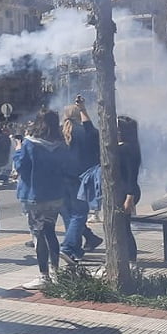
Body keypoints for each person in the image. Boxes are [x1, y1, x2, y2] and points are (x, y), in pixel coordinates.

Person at [14, 109, 77, 290]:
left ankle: (44, 275)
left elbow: (21, 166)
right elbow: (67, 167)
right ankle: (55, 272)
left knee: (38, 234)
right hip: (55, 194)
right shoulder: (61, 144)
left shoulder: (30, 144)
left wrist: (17, 150)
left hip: (34, 195)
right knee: (50, 232)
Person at [59, 98, 103, 264]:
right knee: (79, 214)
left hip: (61, 178)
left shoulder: (58, 133)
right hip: (82, 179)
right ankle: (68, 247)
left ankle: (76, 251)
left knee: (69, 214)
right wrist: (84, 110)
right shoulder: (86, 132)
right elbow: (94, 134)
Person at [118, 115, 143, 261]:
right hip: (126, 190)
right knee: (122, 227)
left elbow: (131, 174)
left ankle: (131, 259)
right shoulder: (129, 146)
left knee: (124, 228)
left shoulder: (126, 149)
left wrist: (129, 197)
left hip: (126, 191)